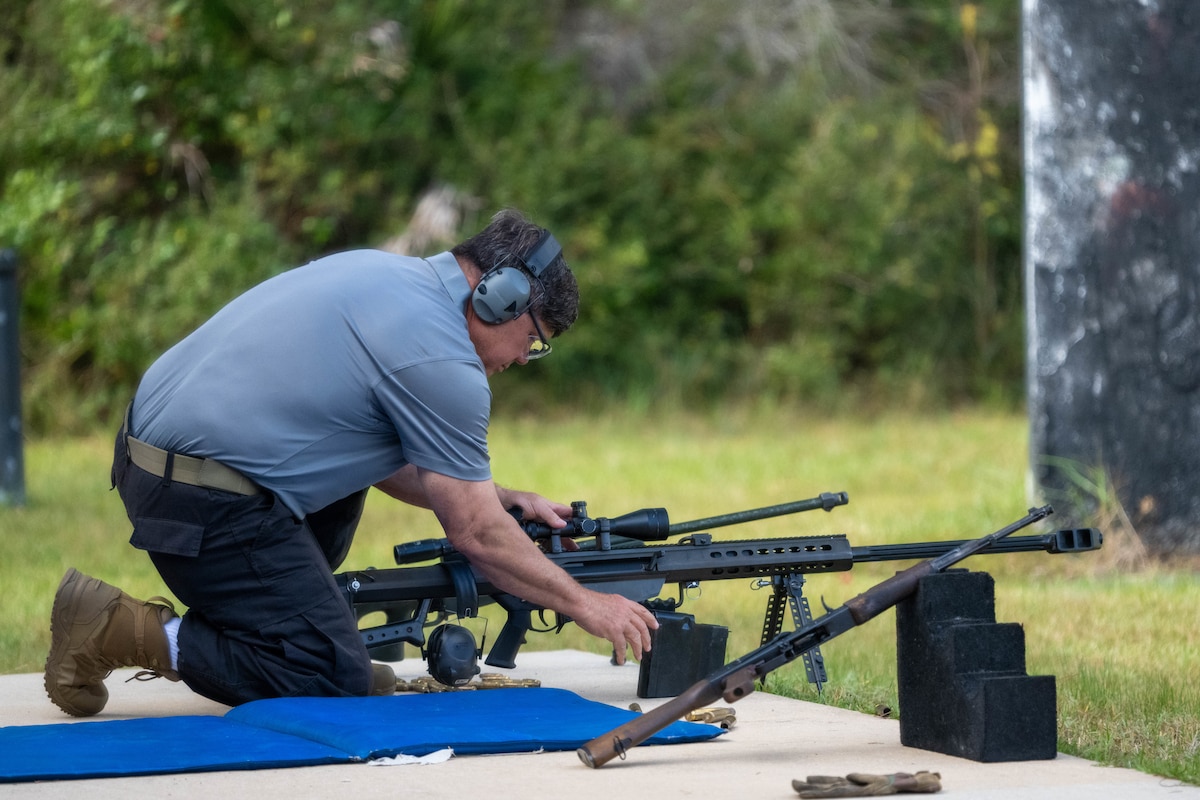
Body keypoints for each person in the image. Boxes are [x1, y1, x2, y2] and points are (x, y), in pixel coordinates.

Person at [44, 209, 658, 716]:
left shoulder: (381, 272)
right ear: (502, 298)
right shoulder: (444, 361)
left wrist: (499, 496)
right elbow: (475, 533)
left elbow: (380, 452)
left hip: (155, 461)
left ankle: (277, 627)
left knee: (367, 453)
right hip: (197, 498)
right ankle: (121, 628)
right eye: (533, 339)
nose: (525, 358)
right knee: (327, 674)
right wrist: (586, 603)